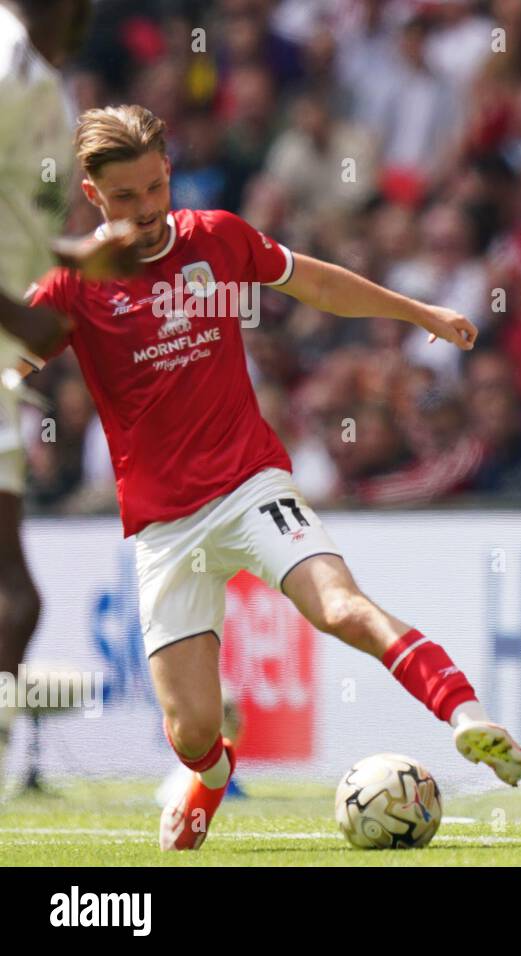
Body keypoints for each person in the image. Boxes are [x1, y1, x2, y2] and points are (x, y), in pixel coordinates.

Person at [26, 104, 521, 849]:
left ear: (168, 172)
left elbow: (316, 284)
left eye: (152, 189)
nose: (142, 211)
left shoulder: (216, 240)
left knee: (339, 606)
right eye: (123, 197)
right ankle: (211, 770)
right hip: (165, 526)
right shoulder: (75, 283)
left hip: (249, 485)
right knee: (190, 729)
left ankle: (467, 715)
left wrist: (415, 310)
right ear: (93, 194)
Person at [0, 0, 137, 793]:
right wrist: (18, 312)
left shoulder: (49, 95)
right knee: (14, 601)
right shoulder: (9, 57)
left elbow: (26, 230)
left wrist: (85, 256)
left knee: (16, 603)